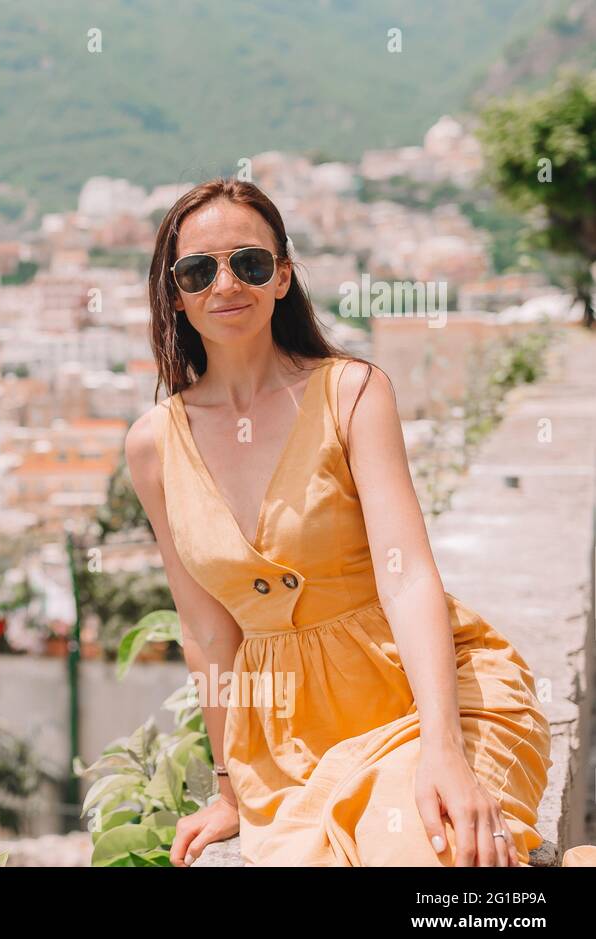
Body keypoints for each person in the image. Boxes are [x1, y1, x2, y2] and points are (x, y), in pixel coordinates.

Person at [122, 178, 590, 866]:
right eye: (199, 270)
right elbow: (207, 630)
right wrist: (227, 788)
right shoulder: (154, 444)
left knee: (431, 853)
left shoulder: (350, 393)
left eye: (250, 263)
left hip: (431, 702)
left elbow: (408, 580)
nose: (227, 284)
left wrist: (445, 752)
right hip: (288, 747)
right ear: (175, 293)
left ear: (283, 277)